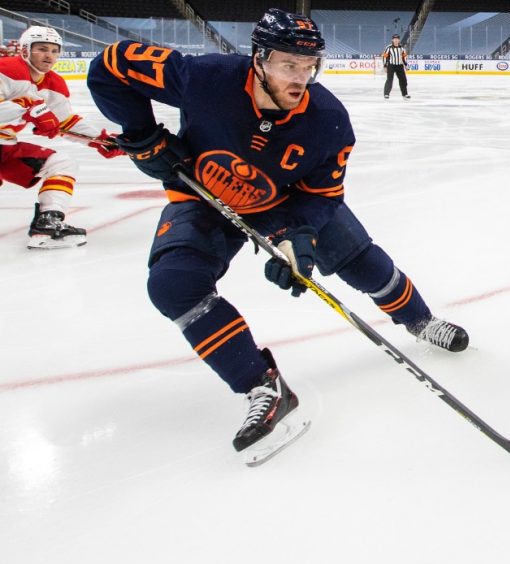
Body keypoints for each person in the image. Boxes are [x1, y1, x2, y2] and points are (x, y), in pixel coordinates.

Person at [86, 9, 468, 461]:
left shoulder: (328, 120)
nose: (301, 78)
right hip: (205, 197)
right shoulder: (206, 78)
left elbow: (323, 195)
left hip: (284, 204)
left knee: (362, 261)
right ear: (259, 59)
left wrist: (296, 237)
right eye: (289, 65)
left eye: (310, 66)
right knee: (173, 284)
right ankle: (263, 386)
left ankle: (420, 320)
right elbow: (110, 65)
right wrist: (142, 135)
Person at [0, 26, 123, 249]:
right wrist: (29, 111)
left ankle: (47, 225)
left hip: (5, 147)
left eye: (54, 50)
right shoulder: (6, 69)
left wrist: (100, 140)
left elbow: (65, 122)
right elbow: (32, 112)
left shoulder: (53, 85)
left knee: (62, 163)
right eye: (41, 49)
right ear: (25, 50)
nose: (49, 56)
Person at [382, 33, 409, 100]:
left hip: (400, 66)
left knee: (403, 80)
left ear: (399, 40)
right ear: (392, 40)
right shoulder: (388, 48)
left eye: (397, 39)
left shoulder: (402, 48)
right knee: (389, 80)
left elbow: (404, 58)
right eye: (394, 39)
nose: (396, 40)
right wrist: (385, 66)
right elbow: (385, 56)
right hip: (391, 65)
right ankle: (386, 94)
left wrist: (406, 65)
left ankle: (405, 94)